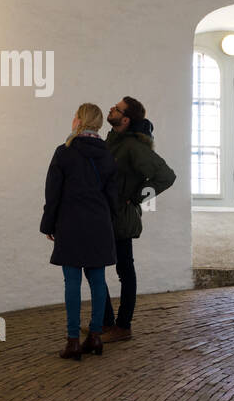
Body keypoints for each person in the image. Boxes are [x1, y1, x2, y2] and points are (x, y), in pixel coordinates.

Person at [40, 103, 120, 360]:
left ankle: (73, 341)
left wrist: (48, 225)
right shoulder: (107, 154)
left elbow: (52, 194)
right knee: (98, 281)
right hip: (99, 225)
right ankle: (95, 337)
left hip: (70, 224)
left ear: (78, 120)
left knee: (71, 282)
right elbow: (113, 196)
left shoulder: (64, 153)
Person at [100, 96, 176, 342]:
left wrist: (136, 197)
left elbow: (166, 176)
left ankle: (122, 326)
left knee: (124, 271)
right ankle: (107, 323)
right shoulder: (113, 140)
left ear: (125, 118)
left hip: (121, 220)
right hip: (104, 216)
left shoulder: (133, 146)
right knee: (96, 269)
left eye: (117, 108)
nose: (111, 108)